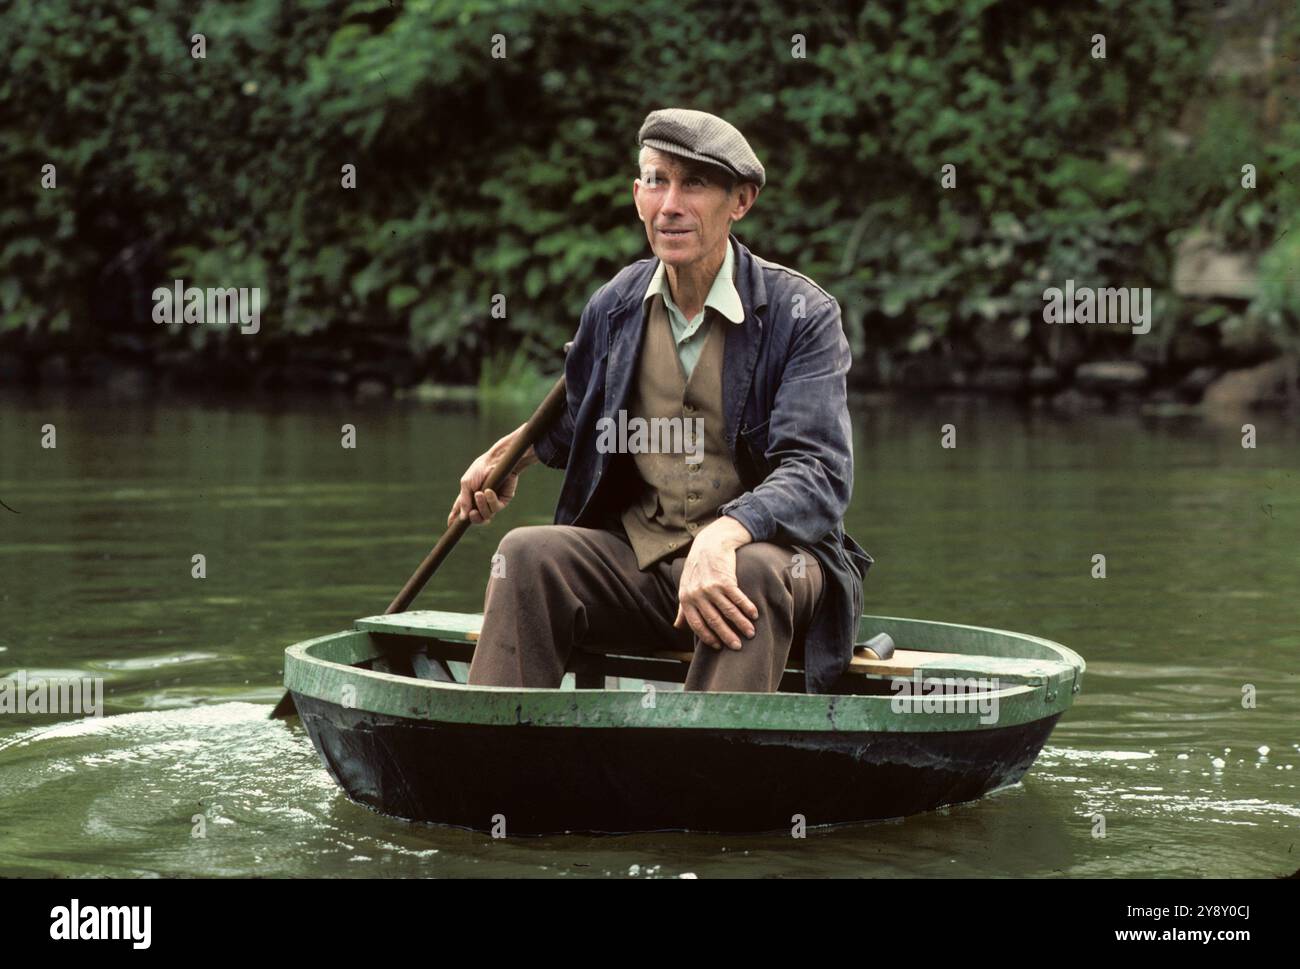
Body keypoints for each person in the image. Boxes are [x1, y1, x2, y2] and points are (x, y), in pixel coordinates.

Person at [448, 108, 872, 693]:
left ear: (741, 201)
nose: (670, 204)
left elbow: (818, 471)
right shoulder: (614, 305)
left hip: (771, 569)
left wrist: (725, 534)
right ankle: (496, 758)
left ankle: (704, 770)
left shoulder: (802, 315)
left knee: (745, 569)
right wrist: (508, 458)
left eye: (693, 184)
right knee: (526, 553)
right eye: (656, 180)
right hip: (641, 567)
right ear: (637, 195)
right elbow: (578, 418)